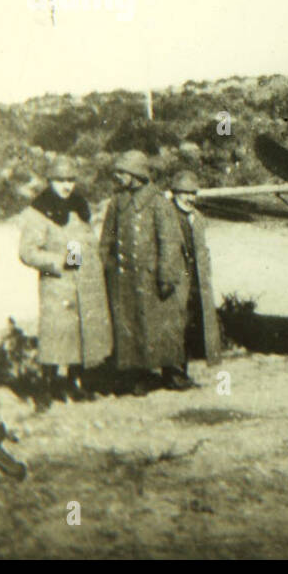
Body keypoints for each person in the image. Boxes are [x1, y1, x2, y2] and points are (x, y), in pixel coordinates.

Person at [18, 156, 113, 400]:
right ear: (50, 181)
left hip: (83, 282)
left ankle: (73, 383)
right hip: (57, 284)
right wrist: (59, 262)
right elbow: (27, 252)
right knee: (55, 335)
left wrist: (86, 262)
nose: (66, 186)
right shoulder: (39, 211)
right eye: (60, 180)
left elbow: (80, 241)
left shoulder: (79, 206)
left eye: (70, 180)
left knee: (79, 334)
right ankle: (48, 387)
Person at [98, 150, 187, 394]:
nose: (117, 177)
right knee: (131, 327)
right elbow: (107, 239)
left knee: (161, 326)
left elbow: (169, 242)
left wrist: (166, 275)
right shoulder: (117, 203)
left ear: (136, 174)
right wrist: (103, 270)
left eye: (122, 172)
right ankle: (138, 375)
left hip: (151, 279)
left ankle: (172, 372)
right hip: (124, 280)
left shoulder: (158, 202)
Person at [165, 170, 222, 388]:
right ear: (174, 194)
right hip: (175, 278)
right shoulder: (167, 216)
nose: (189, 198)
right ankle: (173, 373)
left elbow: (202, 248)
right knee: (174, 325)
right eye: (184, 193)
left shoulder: (197, 218)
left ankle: (182, 371)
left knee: (189, 324)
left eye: (193, 194)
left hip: (195, 278)